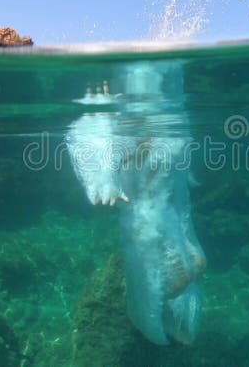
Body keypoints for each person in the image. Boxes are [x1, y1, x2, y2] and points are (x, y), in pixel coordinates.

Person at [65, 61, 206, 344]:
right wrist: (104, 182)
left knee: (171, 255)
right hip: (147, 186)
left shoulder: (145, 132)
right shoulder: (131, 132)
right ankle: (169, 324)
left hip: (152, 185)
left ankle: (169, 323)